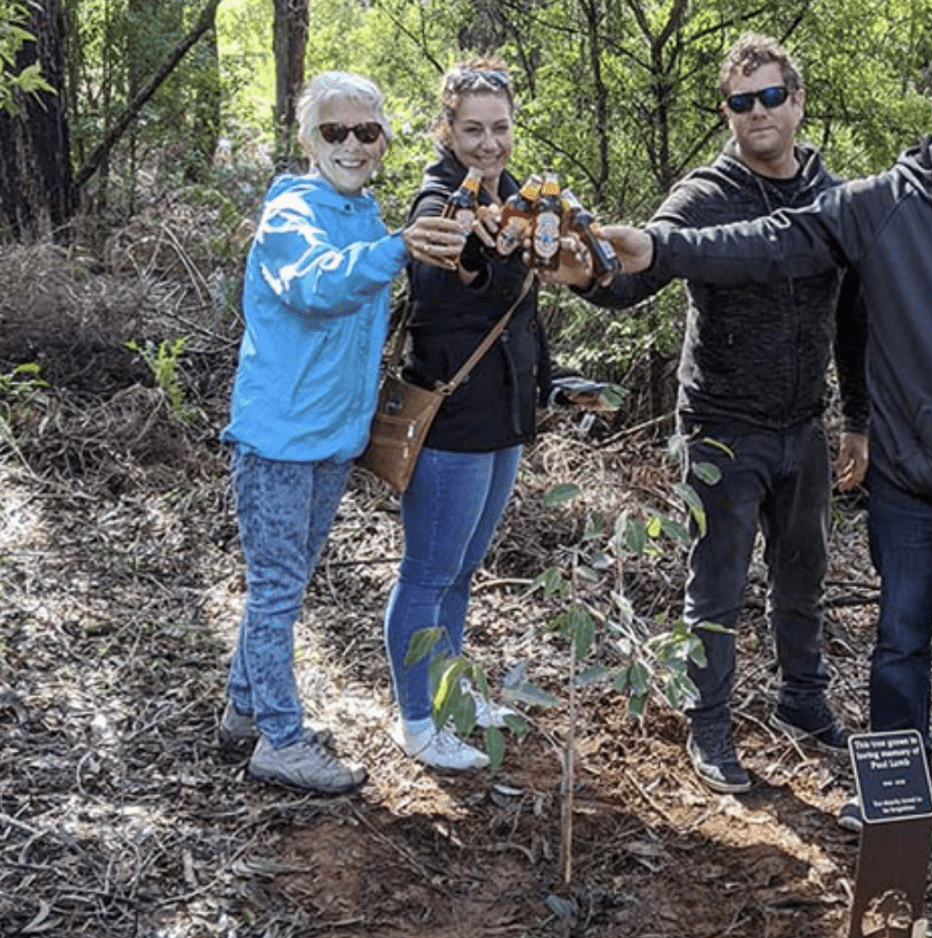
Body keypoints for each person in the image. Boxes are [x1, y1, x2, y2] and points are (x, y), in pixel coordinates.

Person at [600, 39, 932, 843]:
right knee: (899, 645)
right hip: (911, 474)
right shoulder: (879, 203)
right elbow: (772, 239)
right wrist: (663, 249)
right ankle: (895, 789)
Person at [574, 34, 868, 793]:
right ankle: (708, 722)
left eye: (772, 96)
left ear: (798, 102)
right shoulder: (705, 194)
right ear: (727, 113)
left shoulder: (831, 198)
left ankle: (803, 699)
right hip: (720, 428)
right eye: (742, 102)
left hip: (803, 425)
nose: (759, 112)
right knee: (718, 584)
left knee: (803, 575)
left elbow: (855, 317)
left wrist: (856, 419)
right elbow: (637, 272)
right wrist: (584, 271)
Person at [218, 71, 468, 795]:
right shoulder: (293, 210)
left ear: (385, 139)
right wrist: (398, 249)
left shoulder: (364, 213)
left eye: (367, 131)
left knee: (285, 583)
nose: (353, 145)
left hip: (332, 438)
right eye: (336, 131)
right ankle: (281, 740)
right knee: (275, 593)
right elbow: (313, 283)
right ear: (308, 139)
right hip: (277, 441)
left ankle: (245, 707)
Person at [382, 56, 608, 771]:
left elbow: (527, 308)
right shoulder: (440, 202)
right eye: (472, 128)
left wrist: (549, 382)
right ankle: (416, 719)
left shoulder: (521, 197)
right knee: (427, 571)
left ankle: (450, 695)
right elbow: (443, 259)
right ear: (446, 129)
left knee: (462, 569)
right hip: (453, 415)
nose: (488, 142)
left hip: (507, 410)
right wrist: (470, 251)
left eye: (500, 127)